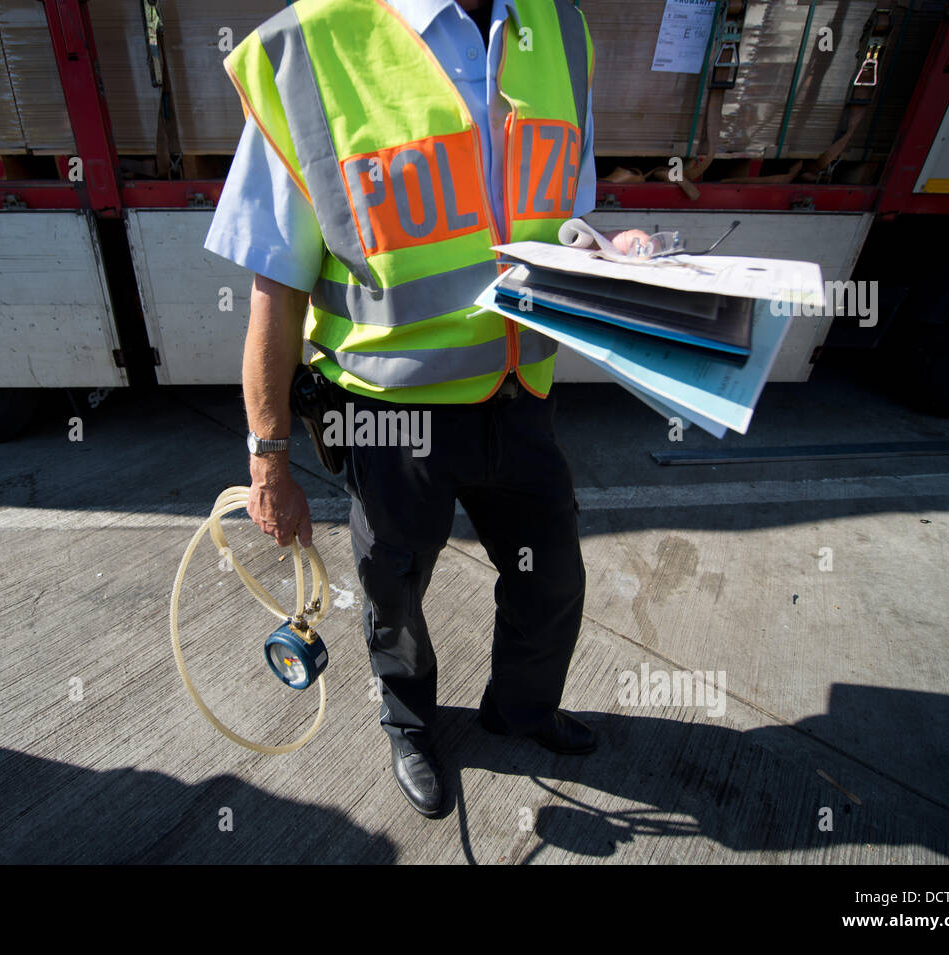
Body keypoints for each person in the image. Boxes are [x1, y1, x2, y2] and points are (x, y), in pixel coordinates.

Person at [204, 0, 651, 817]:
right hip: (389, 411)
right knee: (394, 589)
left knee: (550, 577)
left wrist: (606, 246)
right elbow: (276, 286)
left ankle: (521, 709)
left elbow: (557, 215)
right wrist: (267, 460)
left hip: (520, 396)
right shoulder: (309, 49)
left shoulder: (559, 28)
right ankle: (409, 721)